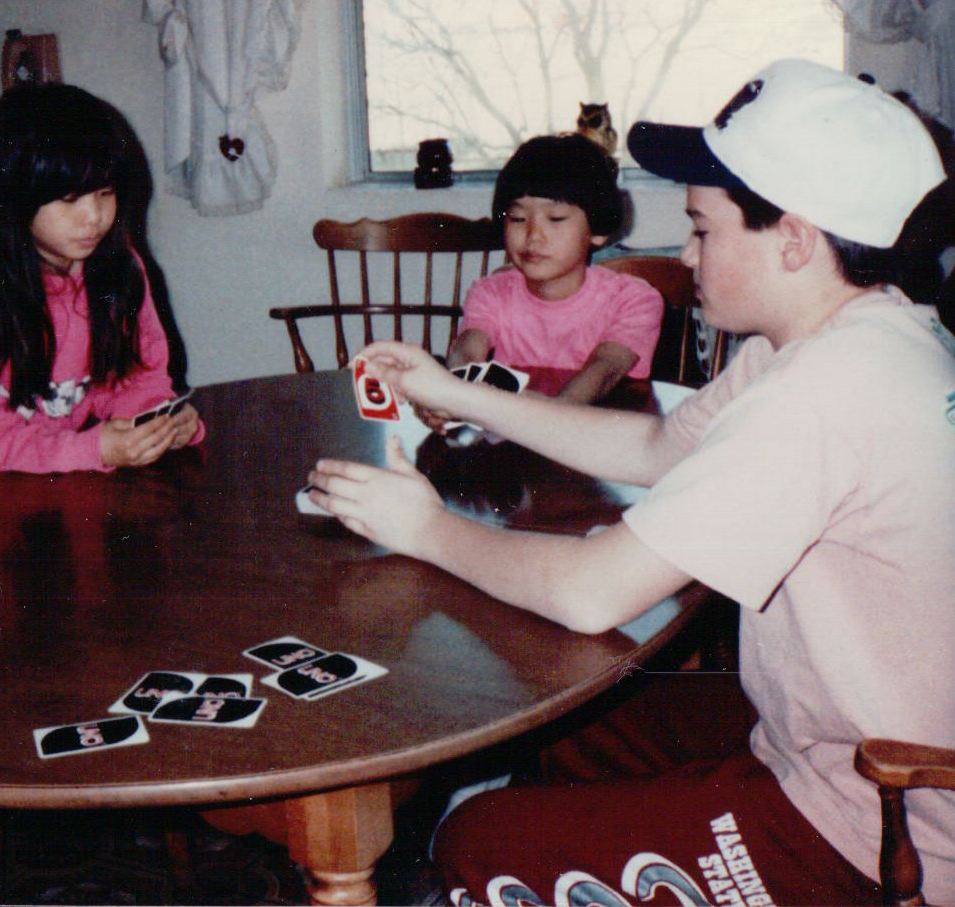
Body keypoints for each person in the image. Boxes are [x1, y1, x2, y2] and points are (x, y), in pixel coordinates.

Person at [306, 59, 955, 904]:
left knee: (476, 842)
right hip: (823, 740)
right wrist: (453, 390)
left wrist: (423, 525)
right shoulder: (849, 336)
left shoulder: (824, 394)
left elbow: (589, 592)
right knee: (558, 727)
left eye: (702, 229)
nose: (684, 253)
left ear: (793, 238)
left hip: (881, 820)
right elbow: (654, 447)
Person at [0, 83, 201, 473]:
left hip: (55, 465)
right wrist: (90, 451)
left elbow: (134, 379)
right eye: (68, 199)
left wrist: (158, 421)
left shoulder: (118, 264)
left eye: (105, 192)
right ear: (15, 193)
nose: (93, 216)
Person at [442, 133, 663, 407]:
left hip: (601, 434)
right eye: (518, 218)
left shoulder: (633, 300)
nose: (533, 236)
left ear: (597, 229)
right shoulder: (491, 292)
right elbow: (466, 351)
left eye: (556, 219)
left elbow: (607, 366)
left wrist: (551, 415)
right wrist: (451, 397)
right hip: (515, 432)